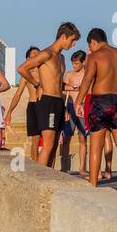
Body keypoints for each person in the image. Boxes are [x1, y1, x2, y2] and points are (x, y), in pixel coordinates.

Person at [76, 28, 117, 196]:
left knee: (96, 145)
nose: (90, 49)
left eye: (90, 46)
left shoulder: (94, 56)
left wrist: (79, 101)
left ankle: (93, 184)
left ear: (93, 42)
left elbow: (87, 79)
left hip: (101, 101)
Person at [17, 22, 80, 166]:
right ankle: (38, 182)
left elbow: (57, 82)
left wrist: (74, 87)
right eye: (72, 40)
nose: (73, 44)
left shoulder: (62, 58)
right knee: (48, 144)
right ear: (63, 36)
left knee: (55, 145)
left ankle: (49, 177)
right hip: (47, 102)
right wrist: (36, 83)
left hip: (58, 102)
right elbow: (22, 69)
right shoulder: (46, 54)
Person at [4, 47, 41, 156]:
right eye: (34, 54)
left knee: (49, 140)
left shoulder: (44, 70)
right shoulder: (26, 75)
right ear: (28, 58)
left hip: (45, 105)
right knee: (35, 140)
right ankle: (37, 169)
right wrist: (9, 112)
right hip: (33, 106)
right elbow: (17, 95)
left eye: (38, 54)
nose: (37, 55)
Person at [61, 49, 88, 174]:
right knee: (66, 138)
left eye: (76, 63)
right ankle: (64, 167)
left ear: (83, 62)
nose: (74, 66)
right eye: (73, 63)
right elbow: (62, 90)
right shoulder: (69, 74)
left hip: (83, 107)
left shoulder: (88, 74)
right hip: (71, 106)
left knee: (83, 138)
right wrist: (64, 109)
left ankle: (82, 168)